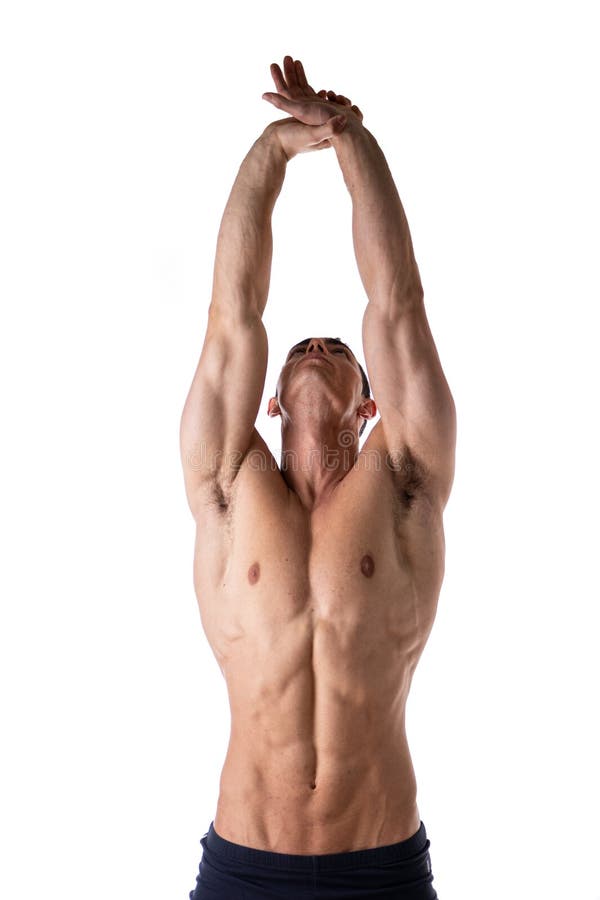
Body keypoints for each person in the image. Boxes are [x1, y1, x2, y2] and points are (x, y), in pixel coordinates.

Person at [180, 54, 456, 900]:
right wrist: (272, 152)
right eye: (304, 345)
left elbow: (397, 305)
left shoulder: (404, 483)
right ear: (268, 402)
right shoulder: (228, 481)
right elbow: (235, 315)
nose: (319, 345)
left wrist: (349, 137)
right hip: (242, 866)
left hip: (379, 868)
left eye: (339, 350)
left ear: (368, 410)